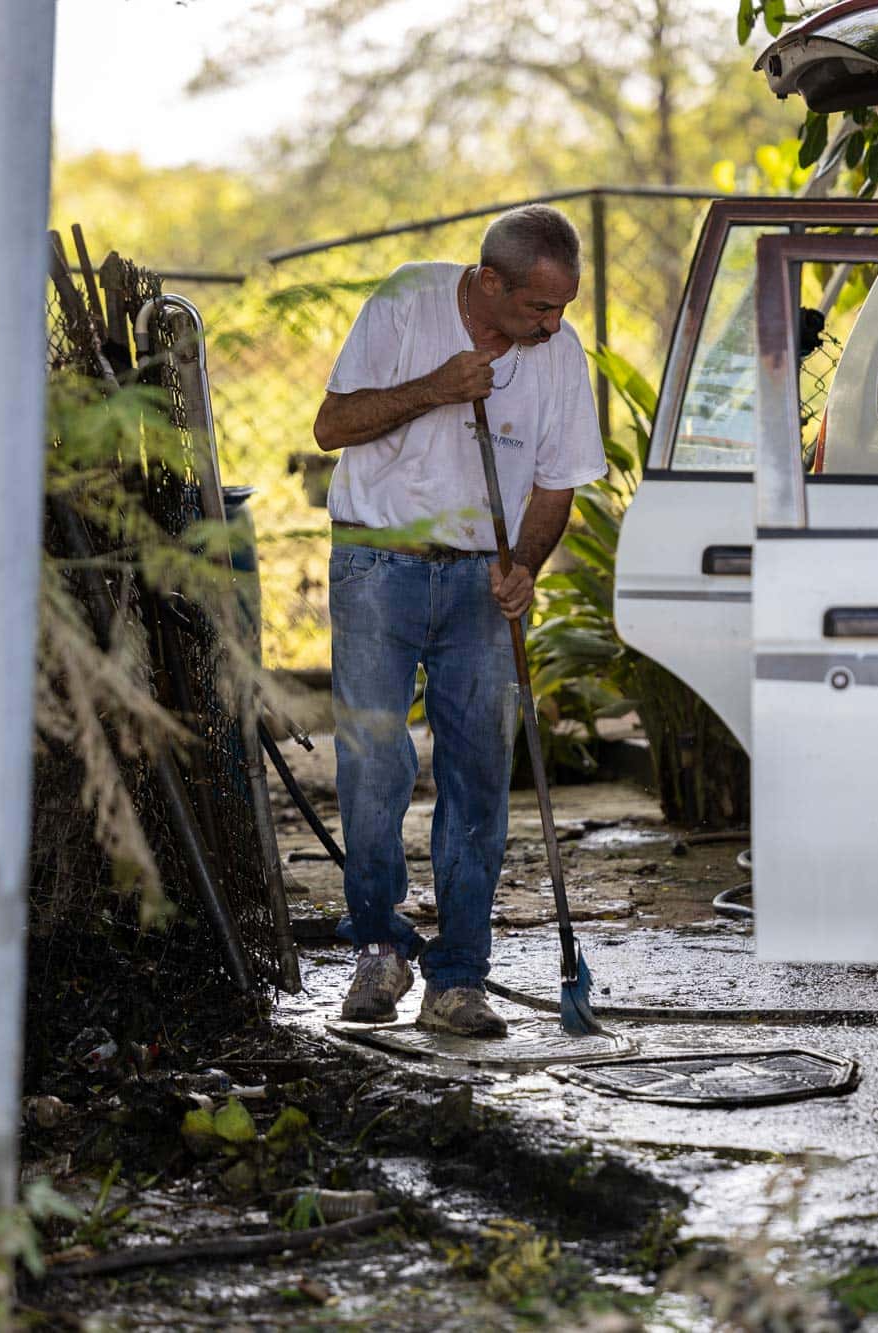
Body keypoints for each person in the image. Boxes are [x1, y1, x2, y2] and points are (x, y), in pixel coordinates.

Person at [312, 204, 606, 1037]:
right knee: (374, 763)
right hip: (377, 561)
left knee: (479, 774)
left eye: (562, 309)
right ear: (487, 283)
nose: (553, 325)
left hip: (482, 578)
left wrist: (524, 567)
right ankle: (379, 946)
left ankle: (459, 976)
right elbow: (331, 424)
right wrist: (439, 387)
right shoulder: (405, 304)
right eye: (537, 309)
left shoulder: (559, 353)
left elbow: (558, 481)